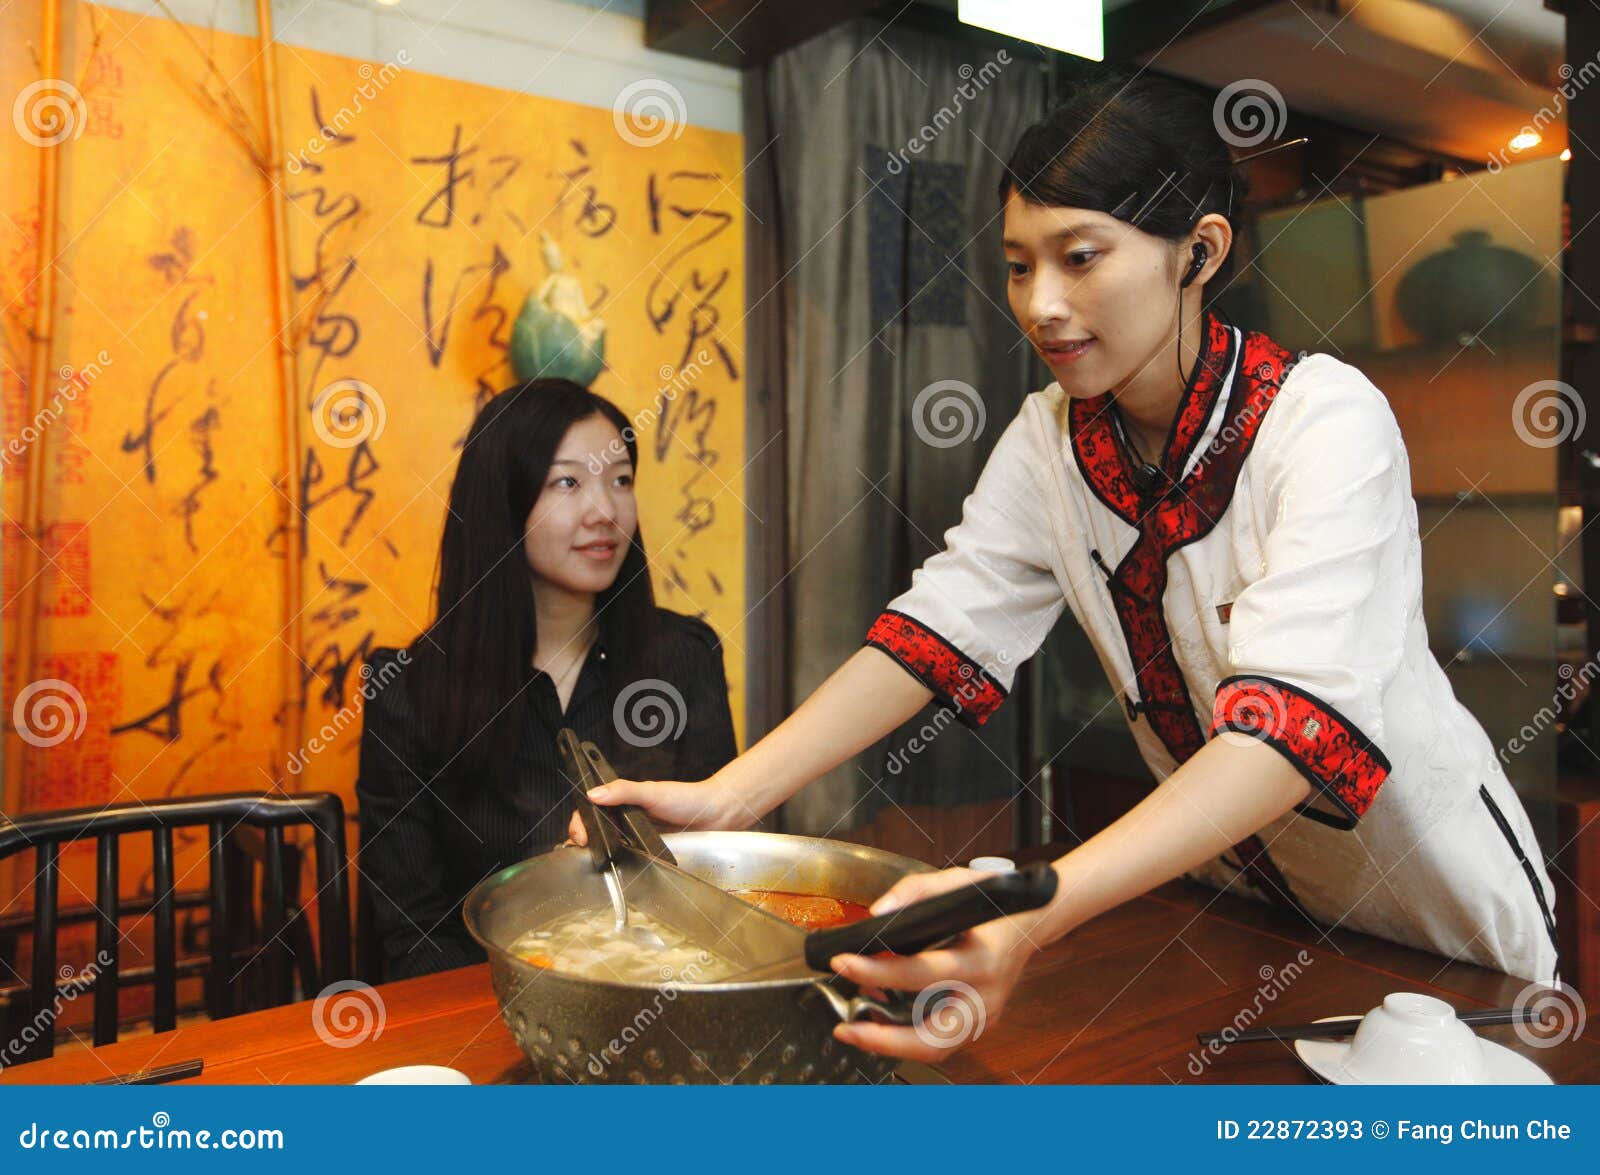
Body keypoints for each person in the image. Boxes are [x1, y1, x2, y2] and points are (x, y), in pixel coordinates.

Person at [571, 74, 1560, 1060]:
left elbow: (1289, 734)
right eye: (1015, 266)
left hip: (1440, 940)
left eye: (1079, 257)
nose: (1040, 304)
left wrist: (1037, 908)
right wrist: (732, 795)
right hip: (1246, 907)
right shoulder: (1050, 438)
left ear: (1198, 252)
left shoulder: (1322, 423)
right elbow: (939, 628)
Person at [359, 378, 736, 980]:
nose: (605, 511)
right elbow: (411, 930)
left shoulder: (682, 659)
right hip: (478, 1020)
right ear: (500, 504)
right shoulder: (408, 693)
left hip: (662, 996)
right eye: (569, 482)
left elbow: (720, 871)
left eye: (620, 480)